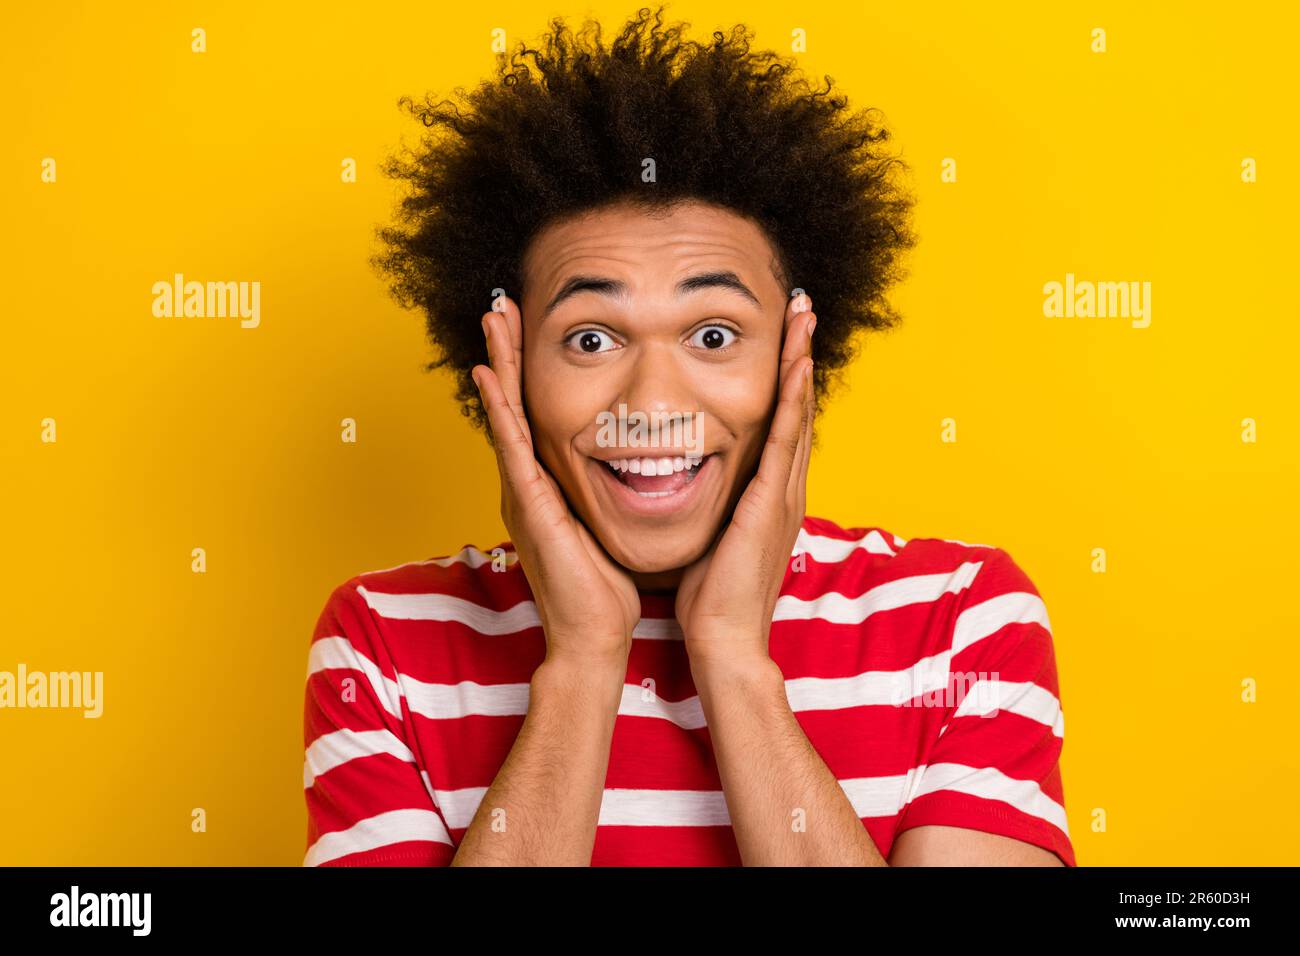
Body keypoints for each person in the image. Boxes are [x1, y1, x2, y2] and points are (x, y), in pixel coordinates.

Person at [302, 5, 1074, 866]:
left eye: (713, 334)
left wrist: (734, 660)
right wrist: (586, 661)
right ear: (508, 365)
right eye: (591, 339)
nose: (653, 399)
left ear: (798, 353)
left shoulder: (961, 618)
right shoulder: (386, 637)